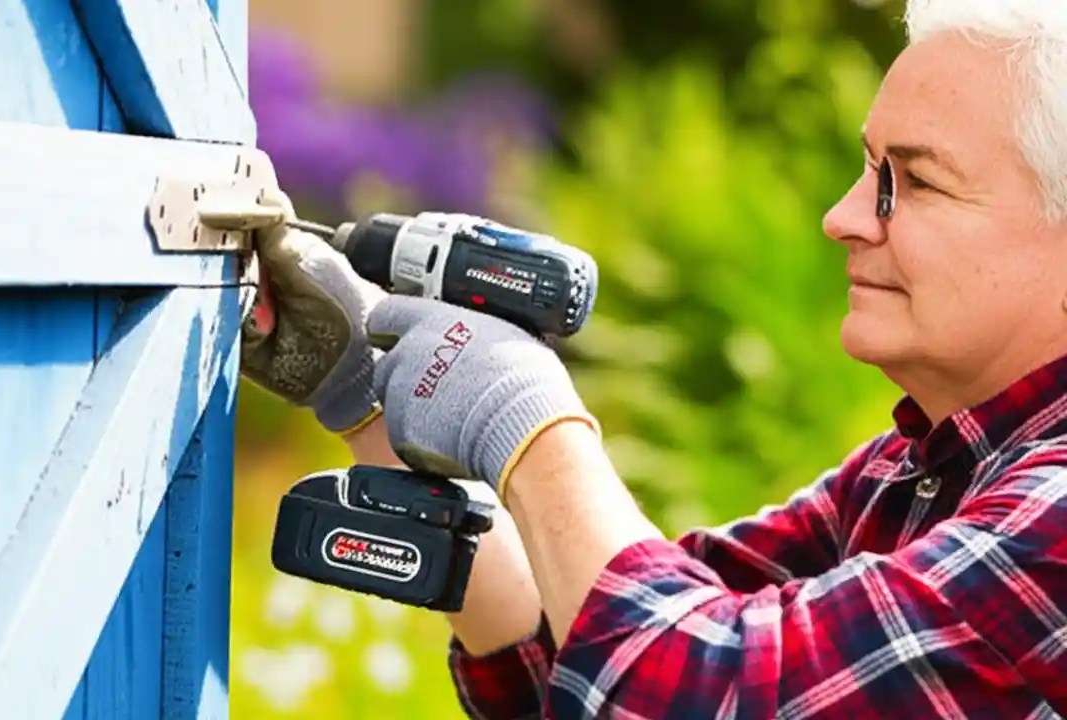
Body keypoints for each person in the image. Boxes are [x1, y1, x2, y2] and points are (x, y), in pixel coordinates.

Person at [240, 0, 1067, 716]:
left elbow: (700, 691)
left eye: (914, 183)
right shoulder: (914, 470)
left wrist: (529, 420)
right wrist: (364, 389)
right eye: (868, 168)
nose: (844, 216)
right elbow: (585, 662)